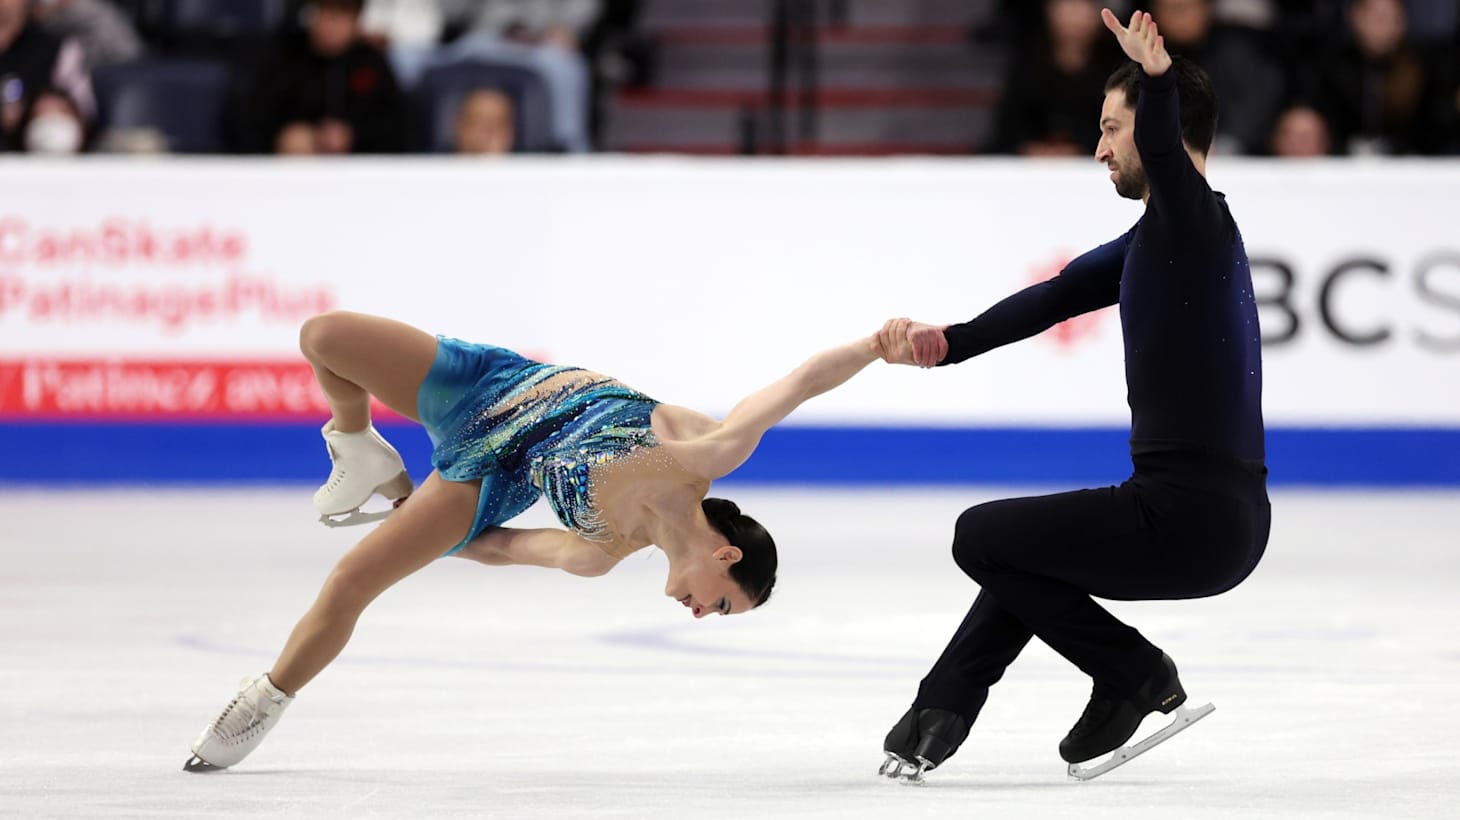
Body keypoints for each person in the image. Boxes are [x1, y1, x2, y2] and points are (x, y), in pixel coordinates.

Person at [184, 310, 887, 771]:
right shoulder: (701, 454)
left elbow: (500, 547)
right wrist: (877, 347)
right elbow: (799, 384)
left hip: (489, 474)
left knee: (349, 582)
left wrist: (410, 514)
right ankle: (354, 441)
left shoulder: (598, 553)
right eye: (723, 603)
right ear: (726, 555)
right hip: (494, 387)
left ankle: (265, 700)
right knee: (324, 337)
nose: (702, 614)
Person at [876, 9, 1270, 781]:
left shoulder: (1194, 223)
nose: (1100, 149)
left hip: (1191, 517)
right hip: (1206, 517)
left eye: (1111, 129)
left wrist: (1157, 79)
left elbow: (1167, 149)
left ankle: (1135, 673)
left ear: (1158, 129)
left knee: (980, 536)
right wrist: (950, 343)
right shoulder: (1156, 240)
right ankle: (939, 712)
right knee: (1025, 553)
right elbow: (1054, 297)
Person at [242, 0, 406, 155]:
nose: (330, 26)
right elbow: (256, 119)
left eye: (340, 16)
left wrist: (352, 135)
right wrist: (295, 136)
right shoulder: (285, 58)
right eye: (324, 13)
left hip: (361, 165)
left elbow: (396, 125)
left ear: (356, 22)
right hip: (292, 166)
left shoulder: (371, 63)